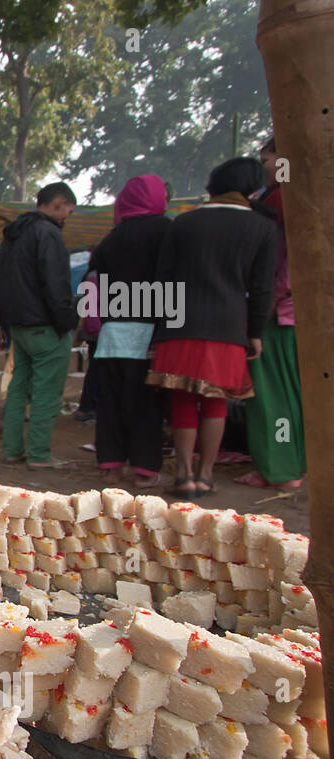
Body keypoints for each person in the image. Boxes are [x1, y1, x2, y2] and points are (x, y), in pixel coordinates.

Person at [149, 157, 276, 498]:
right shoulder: (263, 228)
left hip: (180, 326)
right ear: (251, 186)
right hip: (229, 327)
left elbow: (163, 281)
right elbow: (263, 287)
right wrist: (255, 332)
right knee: (217, 401)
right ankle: (206, 475)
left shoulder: (184, 223)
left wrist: (159, 329)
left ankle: (184, 475)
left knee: (184, 399)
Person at [83, 174, 172, 487]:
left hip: (111, 337)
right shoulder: (167, 232)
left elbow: (95, 284)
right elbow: (172, 285)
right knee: (146, 404)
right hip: (149, 334)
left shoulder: (111, 239)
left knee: (111, 403)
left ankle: (111, 466)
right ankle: (145, 469)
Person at [0, 181, 79, 469]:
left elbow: (2, 280)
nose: (67, 217)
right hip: (45, 325)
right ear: (57, 204)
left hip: (18, 325)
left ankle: (12, 450)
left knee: (19, 387)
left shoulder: (13, 234)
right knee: (47, 391)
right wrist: (66, 321)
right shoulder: (48, 233)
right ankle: (40, 454)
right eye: (68, 210)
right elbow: (56, 284)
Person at [236, 138, 305, 490]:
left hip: (277, 315)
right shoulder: (302, 197)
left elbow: (286, 269)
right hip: (300, 317)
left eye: (269, 159)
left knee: (270, 396)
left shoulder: (283, 203)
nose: (264, 166)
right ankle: (295, 462)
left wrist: (265, 308)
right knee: (295, 393)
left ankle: (278, 468)